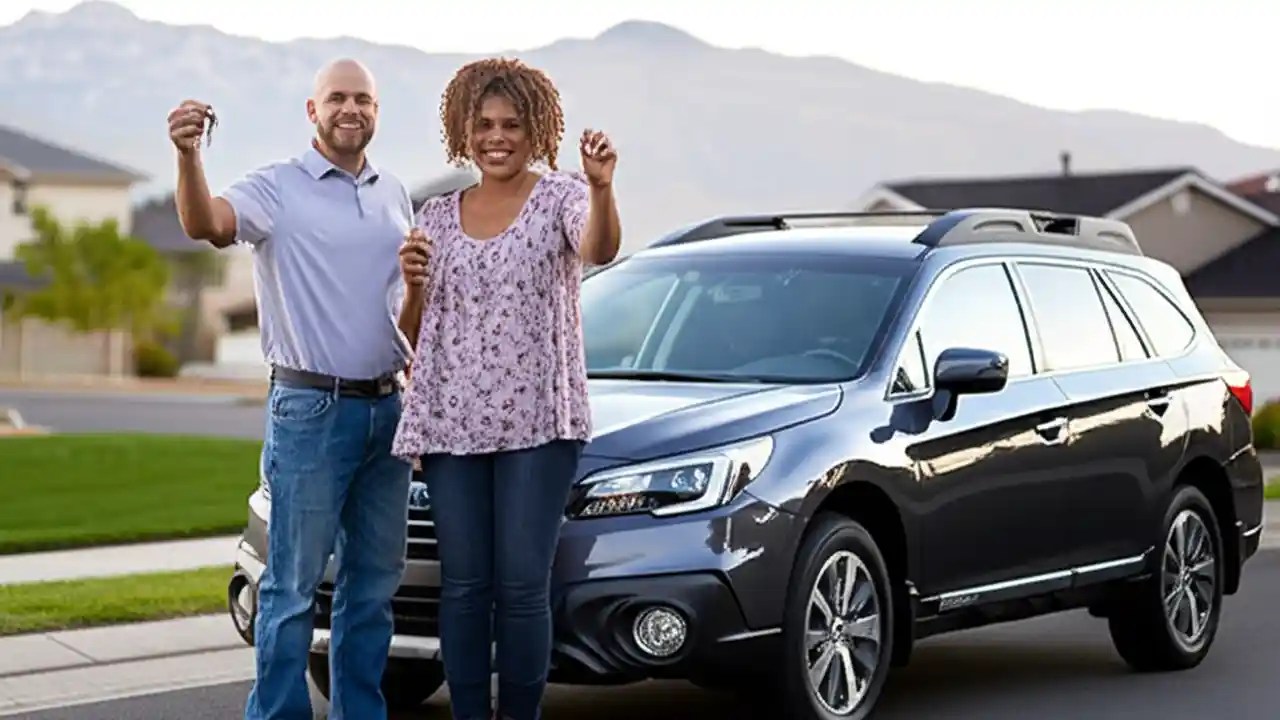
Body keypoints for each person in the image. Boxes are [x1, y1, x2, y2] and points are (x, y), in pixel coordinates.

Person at [167, 58, 416, 720]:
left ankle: (359, 711)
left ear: (376, 110)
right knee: (292, 586)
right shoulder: (276, 187)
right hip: (311, 411)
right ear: (314, 111)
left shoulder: (395, 193)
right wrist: (189, 156)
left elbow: (407, 309)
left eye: (363, 99)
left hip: (389, 410)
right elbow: (206, 223)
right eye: (337, 98)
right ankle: (277, 713)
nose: (351, 109)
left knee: (372, 587)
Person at [391, 57, 622, 720]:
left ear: (536, 131)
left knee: (520, 588)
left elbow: (600, 248)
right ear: (464, 130)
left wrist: (604, 187)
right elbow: (408, 336)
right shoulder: (434, 216)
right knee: (464, 589)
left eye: (512, 125)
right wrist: (412, 287)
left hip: (538, 427)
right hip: (451, 425)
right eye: (485, 124)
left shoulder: (564, 197)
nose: (498, 136)